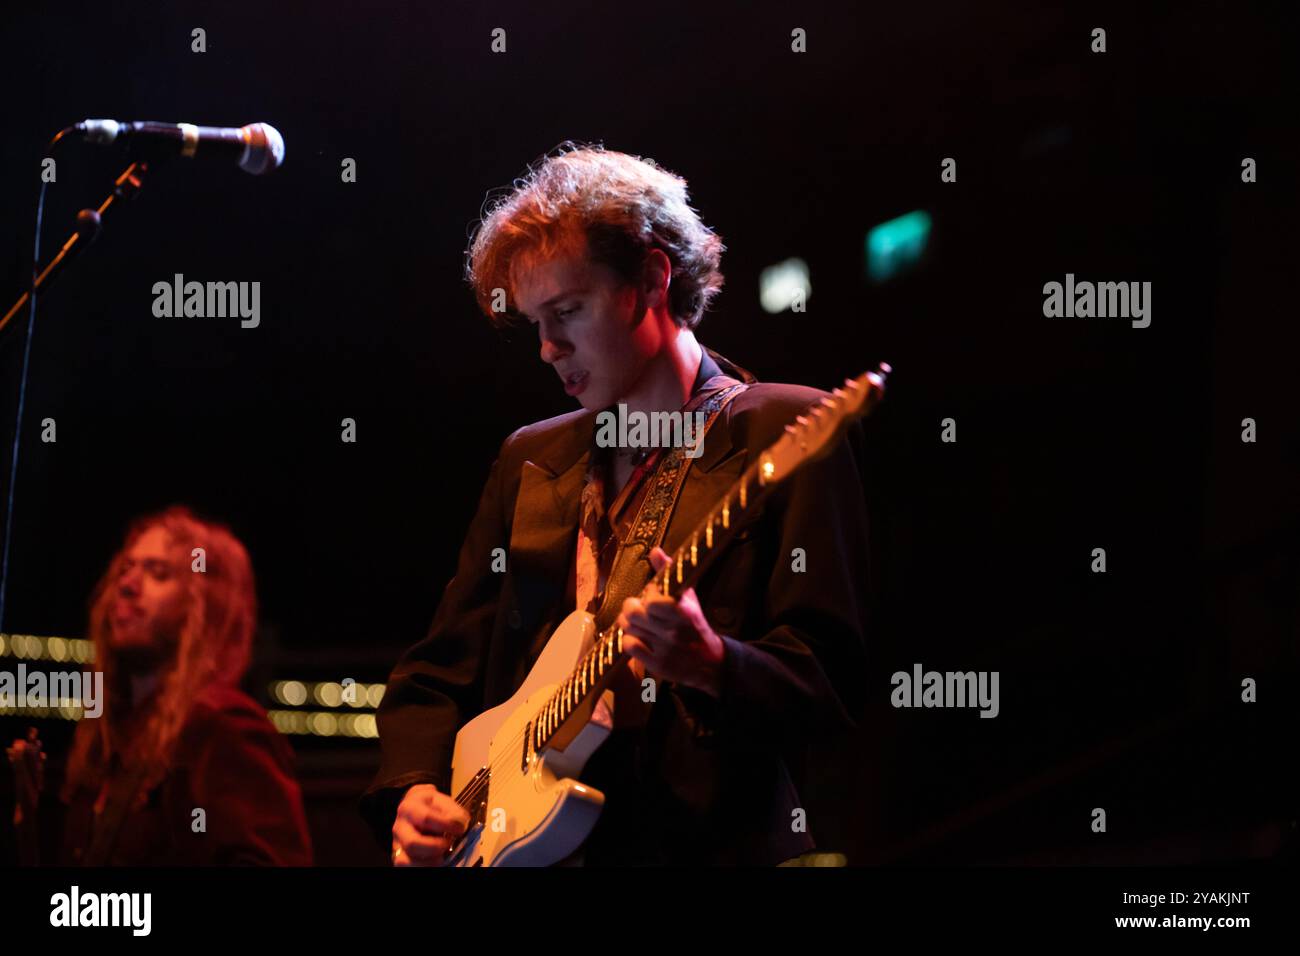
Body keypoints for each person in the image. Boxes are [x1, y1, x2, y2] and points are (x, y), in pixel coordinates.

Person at [362, 144, 871, 865]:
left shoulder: (784, 430)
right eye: (536, 321)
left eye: (568, 310)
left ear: (652, 277)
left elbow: (833, 687)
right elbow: (438, 669)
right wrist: (411, 786)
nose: (547, 347)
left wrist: (715, 664)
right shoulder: (529, 460)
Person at [10, 505, 313, 865]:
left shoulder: (222, 727)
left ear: (205, 604)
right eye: (126, 569)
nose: (127, 585)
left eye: (158, 572)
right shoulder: (112, 735)